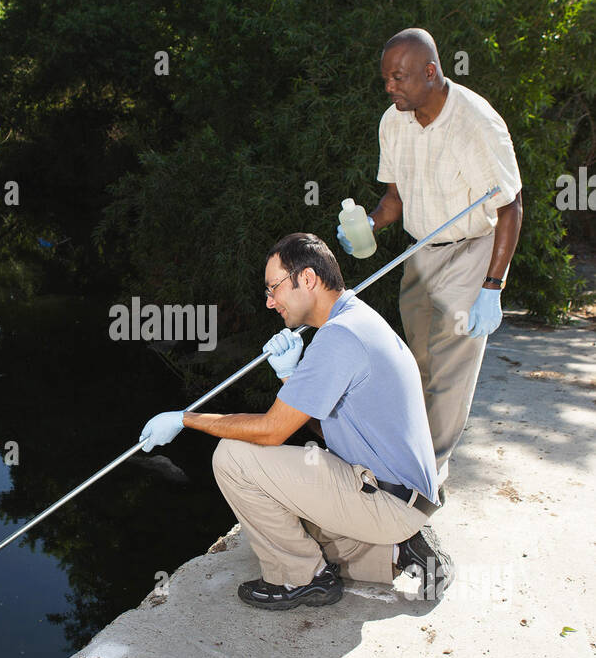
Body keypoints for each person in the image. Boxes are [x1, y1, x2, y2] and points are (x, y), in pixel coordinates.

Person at [139, 232, 454, 610]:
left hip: (388, 500)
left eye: (274, 288)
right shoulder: (355, 319)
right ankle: (401, 552)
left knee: (233, 458)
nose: (270, 302)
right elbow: (330, 428)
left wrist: (186, 419)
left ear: (307, 279)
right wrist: (290, 376)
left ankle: (299, 579)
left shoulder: (339, 337)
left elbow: (273, 431)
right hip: (402, 496)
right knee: (290, 524)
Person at [338, 28, 523, 484]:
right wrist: (370, 224)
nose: (389, 87)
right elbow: (394, 200)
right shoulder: (392, 121)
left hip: (471, 251)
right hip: (420, 252)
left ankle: (428, 474)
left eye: (398, 77)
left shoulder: (475, 123)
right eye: (385, 78)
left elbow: (510, 207)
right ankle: (412, 452)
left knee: (450, 372)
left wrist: (492, 288)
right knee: (415, 365)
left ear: (430, 71)